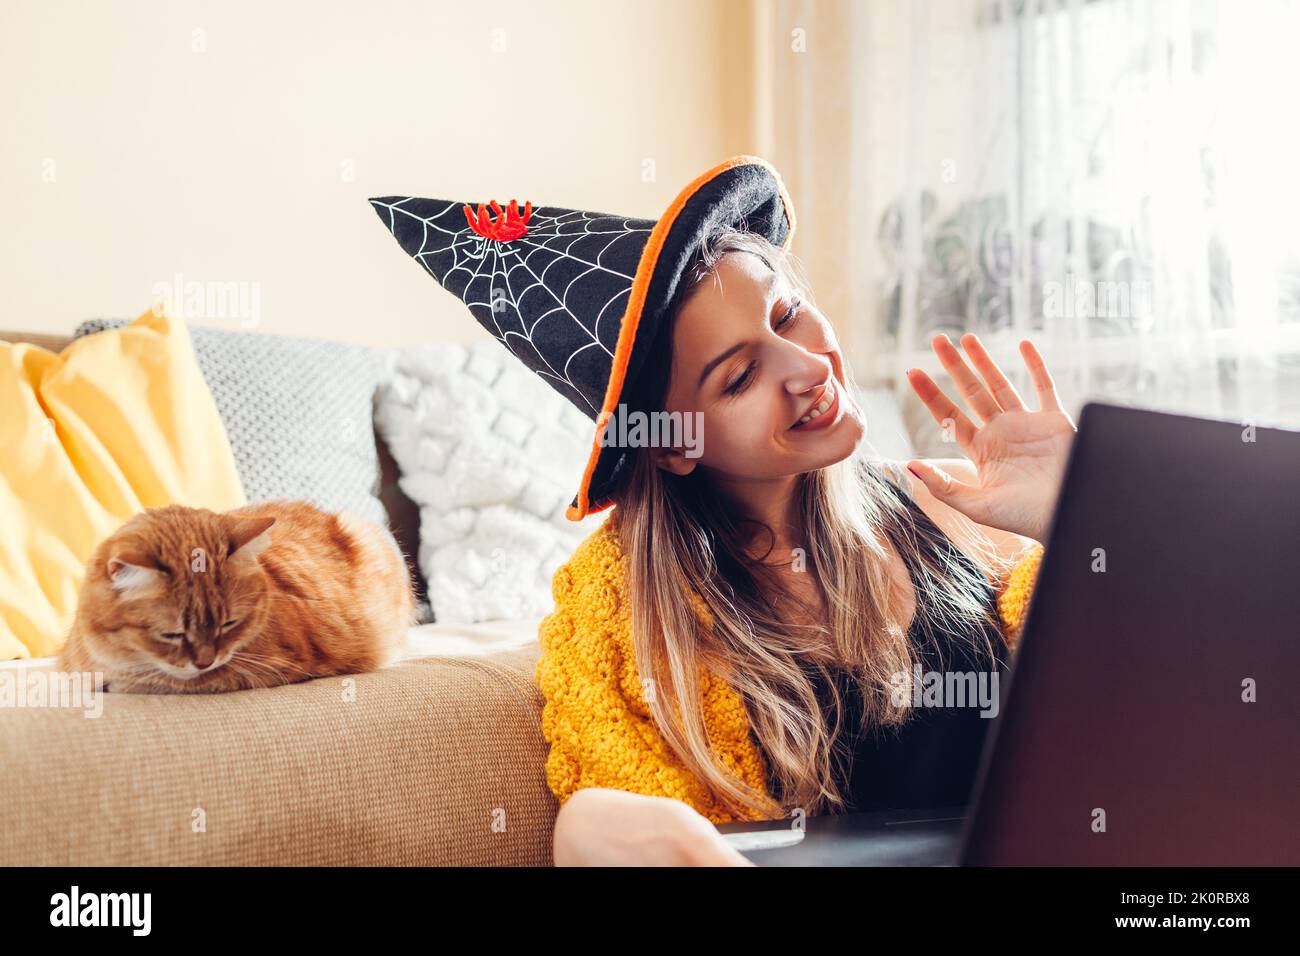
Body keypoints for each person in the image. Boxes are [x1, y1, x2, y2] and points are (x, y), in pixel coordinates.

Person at [369, 156, 1075, 867]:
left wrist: (1075, 526)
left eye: (787, 313)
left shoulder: (961, 503)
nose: (807, 370)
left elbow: (1135, 724)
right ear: (674, 446)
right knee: (589, 823)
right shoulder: (629, 616)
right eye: (739, 376)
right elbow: (624, 809)